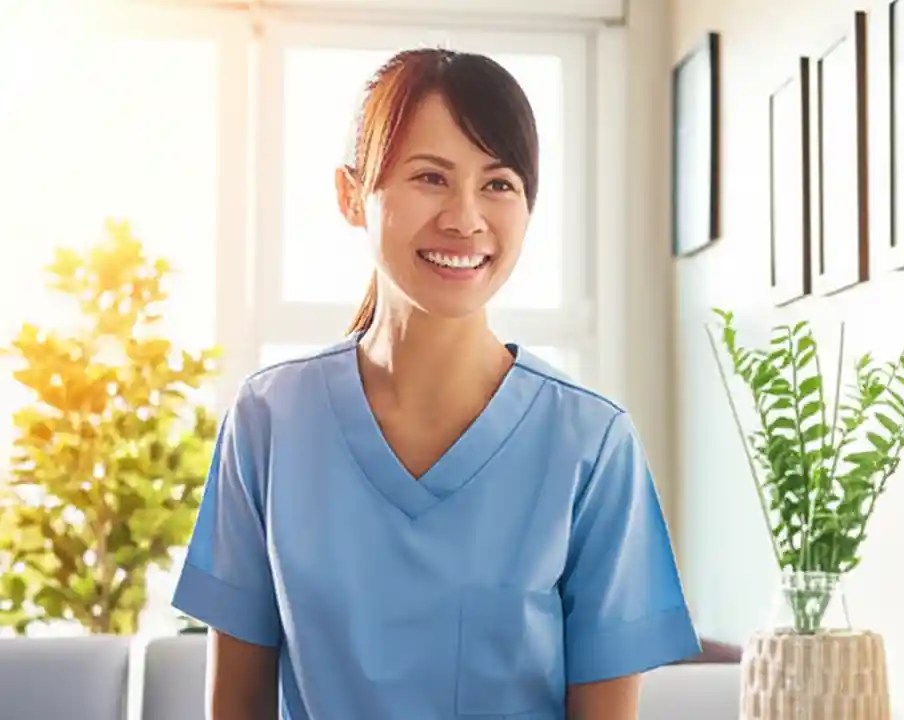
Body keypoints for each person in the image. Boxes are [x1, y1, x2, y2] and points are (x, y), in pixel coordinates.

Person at [172, 48, 701, 720]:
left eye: (499, 184)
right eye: (430, 177)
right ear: (350, 194)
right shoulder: (268, 421)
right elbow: (237, 706)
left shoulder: (591, 445)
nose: (465, 218)